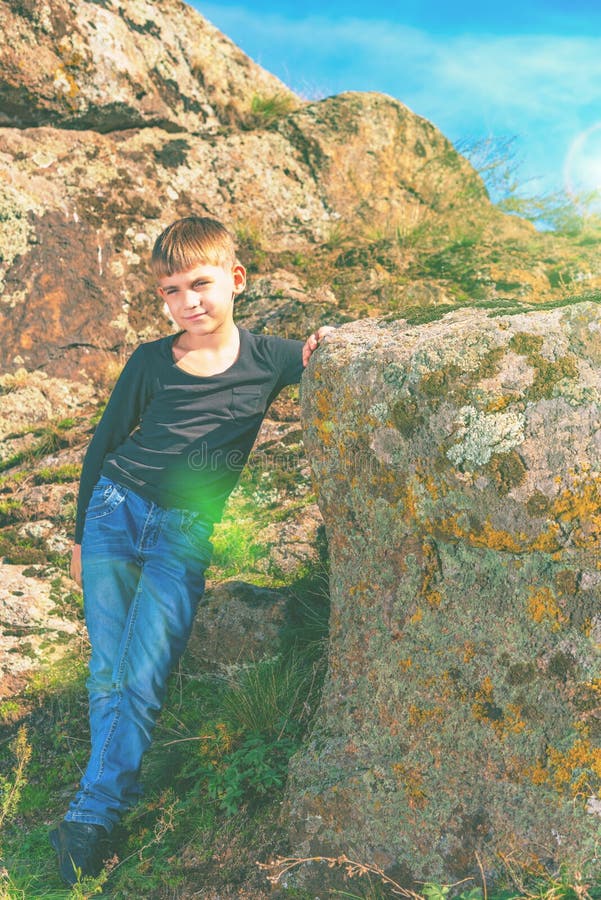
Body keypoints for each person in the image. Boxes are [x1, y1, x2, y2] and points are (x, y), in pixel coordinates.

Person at [49, 215, 336, 886]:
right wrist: (77, 536)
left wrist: (326, 344)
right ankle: (96, 814)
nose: (188, 303)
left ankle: (93, 808)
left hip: (183, 532)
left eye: (200, 284)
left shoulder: (269, 356)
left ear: (235, 280)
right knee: (109, 668)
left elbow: (324, 354)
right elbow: (104, 443)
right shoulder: (151, 360)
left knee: (142, 672)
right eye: (171, 291)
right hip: (116, 514)